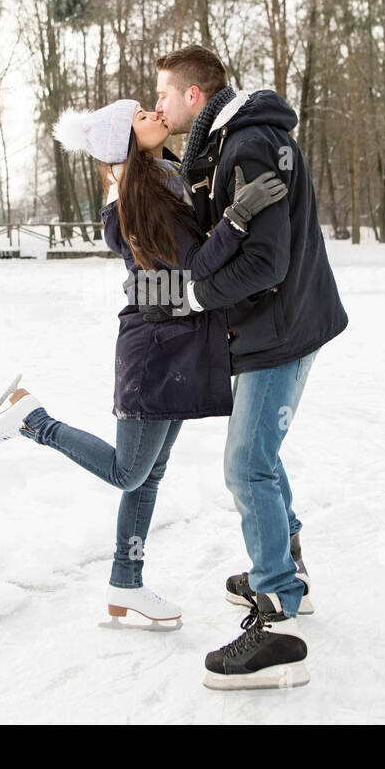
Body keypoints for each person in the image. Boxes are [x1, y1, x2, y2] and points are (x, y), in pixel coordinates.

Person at [0, 98, 288, 632]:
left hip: (176, 342)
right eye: (141, 115)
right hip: (152, 348)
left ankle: (126, 583)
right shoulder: (136, 200)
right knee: (129, 472)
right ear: (125, 140)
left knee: (148, 476)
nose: (155, 115)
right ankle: (33, 421)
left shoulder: (161, 180)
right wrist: (237, 216)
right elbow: (194, 265)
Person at [152, 45, 349, 689]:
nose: (159, 106)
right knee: (260, 453)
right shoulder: (229, 143)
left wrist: (195, 298)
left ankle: (278, 618)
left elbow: (266, 263)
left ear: (193, 95)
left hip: (281, 330)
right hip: (278, 324)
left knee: (247, 463)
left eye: (164, 95)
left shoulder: (248, 145)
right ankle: (287, 569)